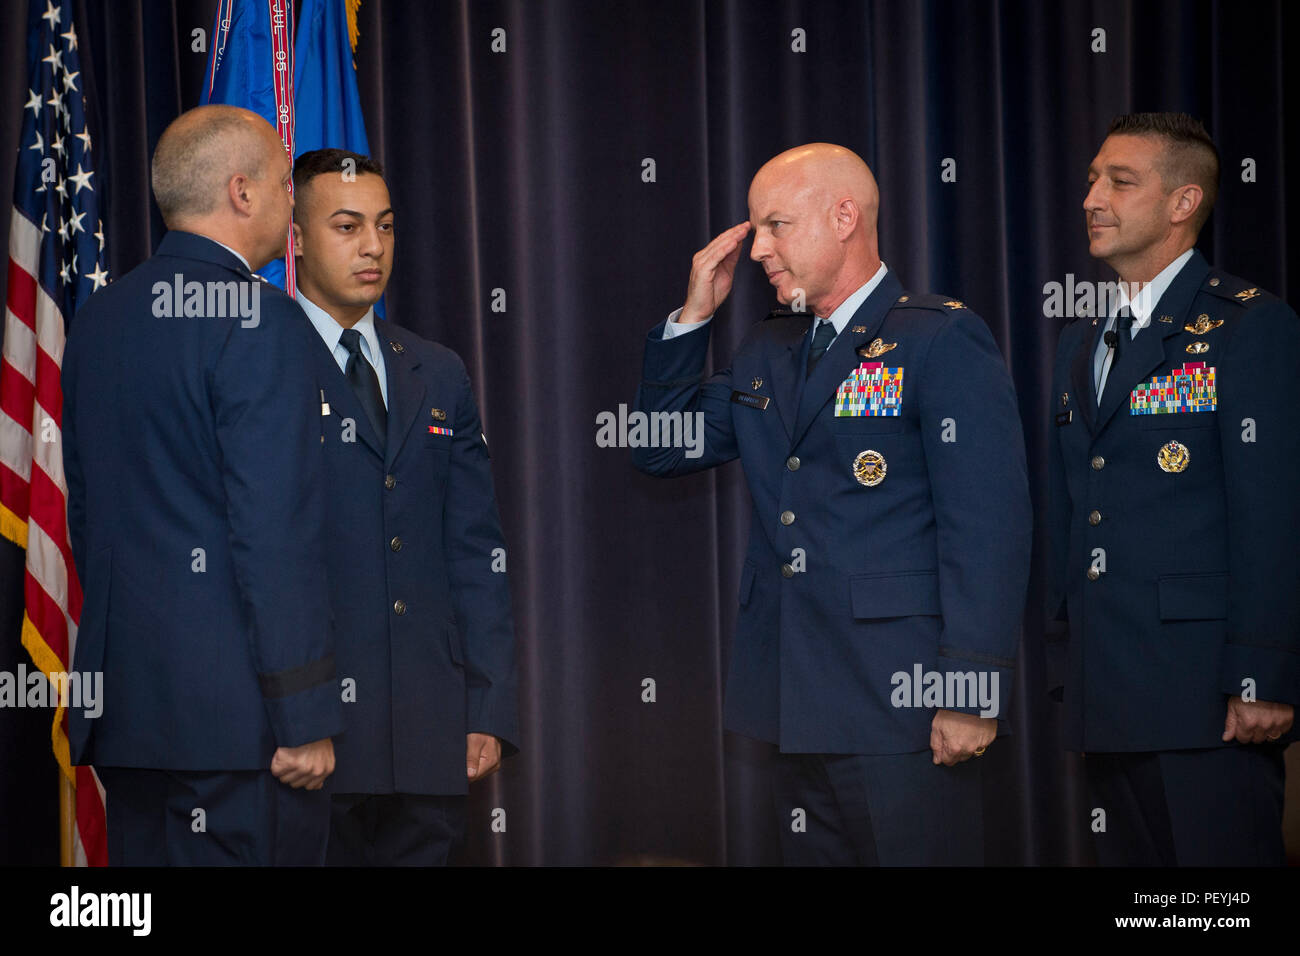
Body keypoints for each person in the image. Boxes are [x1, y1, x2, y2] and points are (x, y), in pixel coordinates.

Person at [632, 143, 1031, 865]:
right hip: (794, 697)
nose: (758, 249)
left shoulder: (937, 337)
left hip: (903, 702)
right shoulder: (768, 347)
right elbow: (661, 447)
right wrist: (692, 318)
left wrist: (971, 688)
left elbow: (988, 527)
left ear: (844, 217)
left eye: (777, 225)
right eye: (756, 229)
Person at [62, 105, 340, 865]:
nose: (296, 203)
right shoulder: (263, 319)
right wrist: (304, 712)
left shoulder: (99, 319)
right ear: (243, 193)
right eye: (288, 183)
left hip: (131, 713)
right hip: (241, 729)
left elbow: (85, 512)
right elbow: (273, 531)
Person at [1047, 112, 1300, 865]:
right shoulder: (1082, 338)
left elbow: (1275, 511)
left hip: (1206, 698)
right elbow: (1077, 505)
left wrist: (1262, 672)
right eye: (1093, 178)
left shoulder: (1249, 327)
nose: (1093, 197)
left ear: (1183, 202)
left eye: (1120, 182)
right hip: (1108, 689)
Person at [290, 148, 519, 866]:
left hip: (428, 729)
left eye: (385, 227)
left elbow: (476, 549)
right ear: (294, 239)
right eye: (348, 226)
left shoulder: (438, 368)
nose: (372, 247)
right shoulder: (257, 358)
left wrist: (488, 705)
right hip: (310, 733)